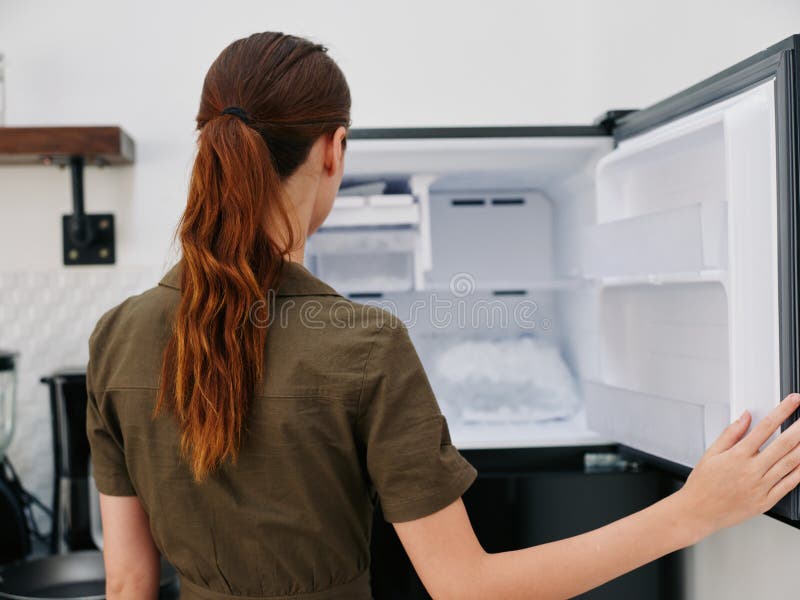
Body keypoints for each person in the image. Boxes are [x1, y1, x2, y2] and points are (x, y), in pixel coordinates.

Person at [86, 31, 800, 600]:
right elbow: (467, 587)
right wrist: (693, 511)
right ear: (334, 151)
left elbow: (128, 583)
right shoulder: (364, 346)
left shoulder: (115, 338)